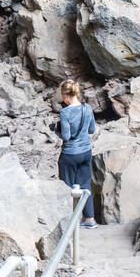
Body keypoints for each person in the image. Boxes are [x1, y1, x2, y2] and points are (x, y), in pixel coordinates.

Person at [52, 79, 97, 228]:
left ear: (65, 95)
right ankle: (90, 219)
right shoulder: (88, 108)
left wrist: (56, 128)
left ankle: (70, 222)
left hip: (70, 155)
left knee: (67, 187)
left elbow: (66, 136)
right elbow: (91, 130)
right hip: (85, 152)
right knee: (85, 185)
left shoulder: (65, 112)